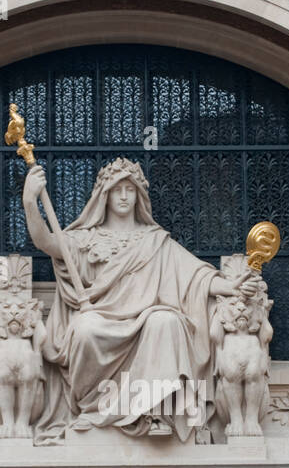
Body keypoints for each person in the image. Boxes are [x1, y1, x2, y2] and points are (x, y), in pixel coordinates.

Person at [23, 158, 261, 440]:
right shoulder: (84, 239)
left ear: (139, 196)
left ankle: (155, 411)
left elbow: (195, 276)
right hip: (99, 320)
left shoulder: (155, 240)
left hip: (147, 320)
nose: (124, 196)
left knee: (165, 320)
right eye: (117, 189)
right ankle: (93, 409)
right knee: (85, 329)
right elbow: (46, 242)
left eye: (130, 189)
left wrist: (233, 287)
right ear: (105, 195)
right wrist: (29, 200)